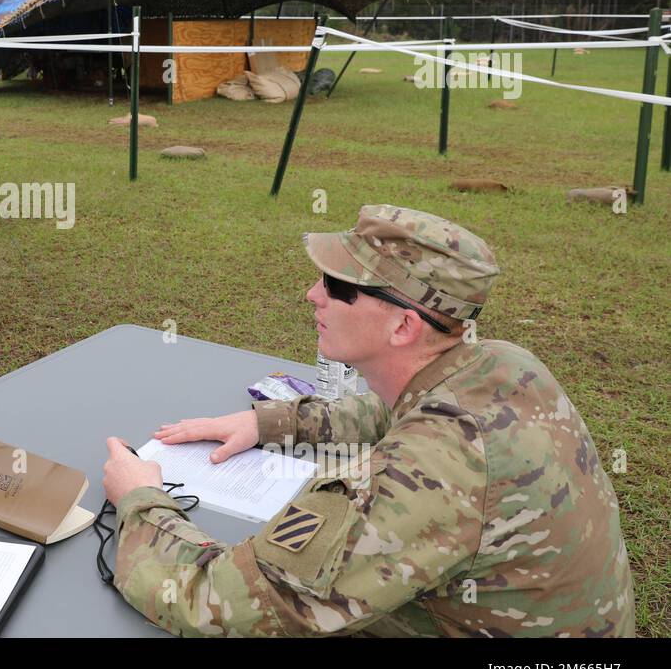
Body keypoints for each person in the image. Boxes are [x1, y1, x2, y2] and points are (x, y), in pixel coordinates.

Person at [103, 205, 635, 636]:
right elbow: (389, 407)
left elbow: (220, 605)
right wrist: (271, 423)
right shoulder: (502, 363)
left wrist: (141, 499)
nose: (312, 295)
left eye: (337, 287)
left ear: (404, 326)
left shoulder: (424, 474)